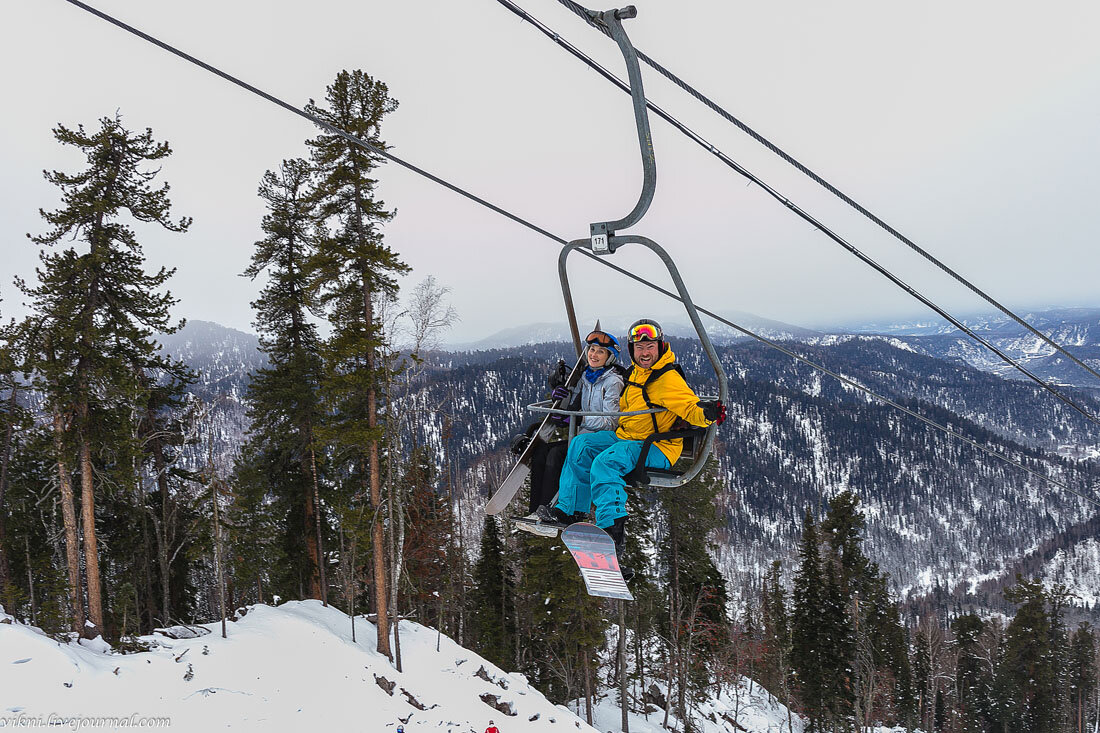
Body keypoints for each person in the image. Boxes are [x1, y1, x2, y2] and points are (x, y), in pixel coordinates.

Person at [537, 318, 725, 576]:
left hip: (655, 447)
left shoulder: (666, 378)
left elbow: (689, 406)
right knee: (580, 445)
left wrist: (707, 413)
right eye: (639, 347)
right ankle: (571, 511)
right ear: (631, 350)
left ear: (660, 347)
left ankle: (611, 537)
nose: (644, 353)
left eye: (650, 347)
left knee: (606, 463)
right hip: (628, 438)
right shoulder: (636, 373)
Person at [510, 330, 624, 536]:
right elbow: (574, 408)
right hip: (583, 438)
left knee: (556, 454)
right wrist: (561, 397)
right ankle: (536, 513)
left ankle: (556, 514)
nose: (594, 355)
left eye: (600, 352)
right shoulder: (587, 378)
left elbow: (611, 421)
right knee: (541, 452)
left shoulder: (613, 382)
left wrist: (578, 419)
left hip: (604, 441)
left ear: (609, 357)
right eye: (592, 349)